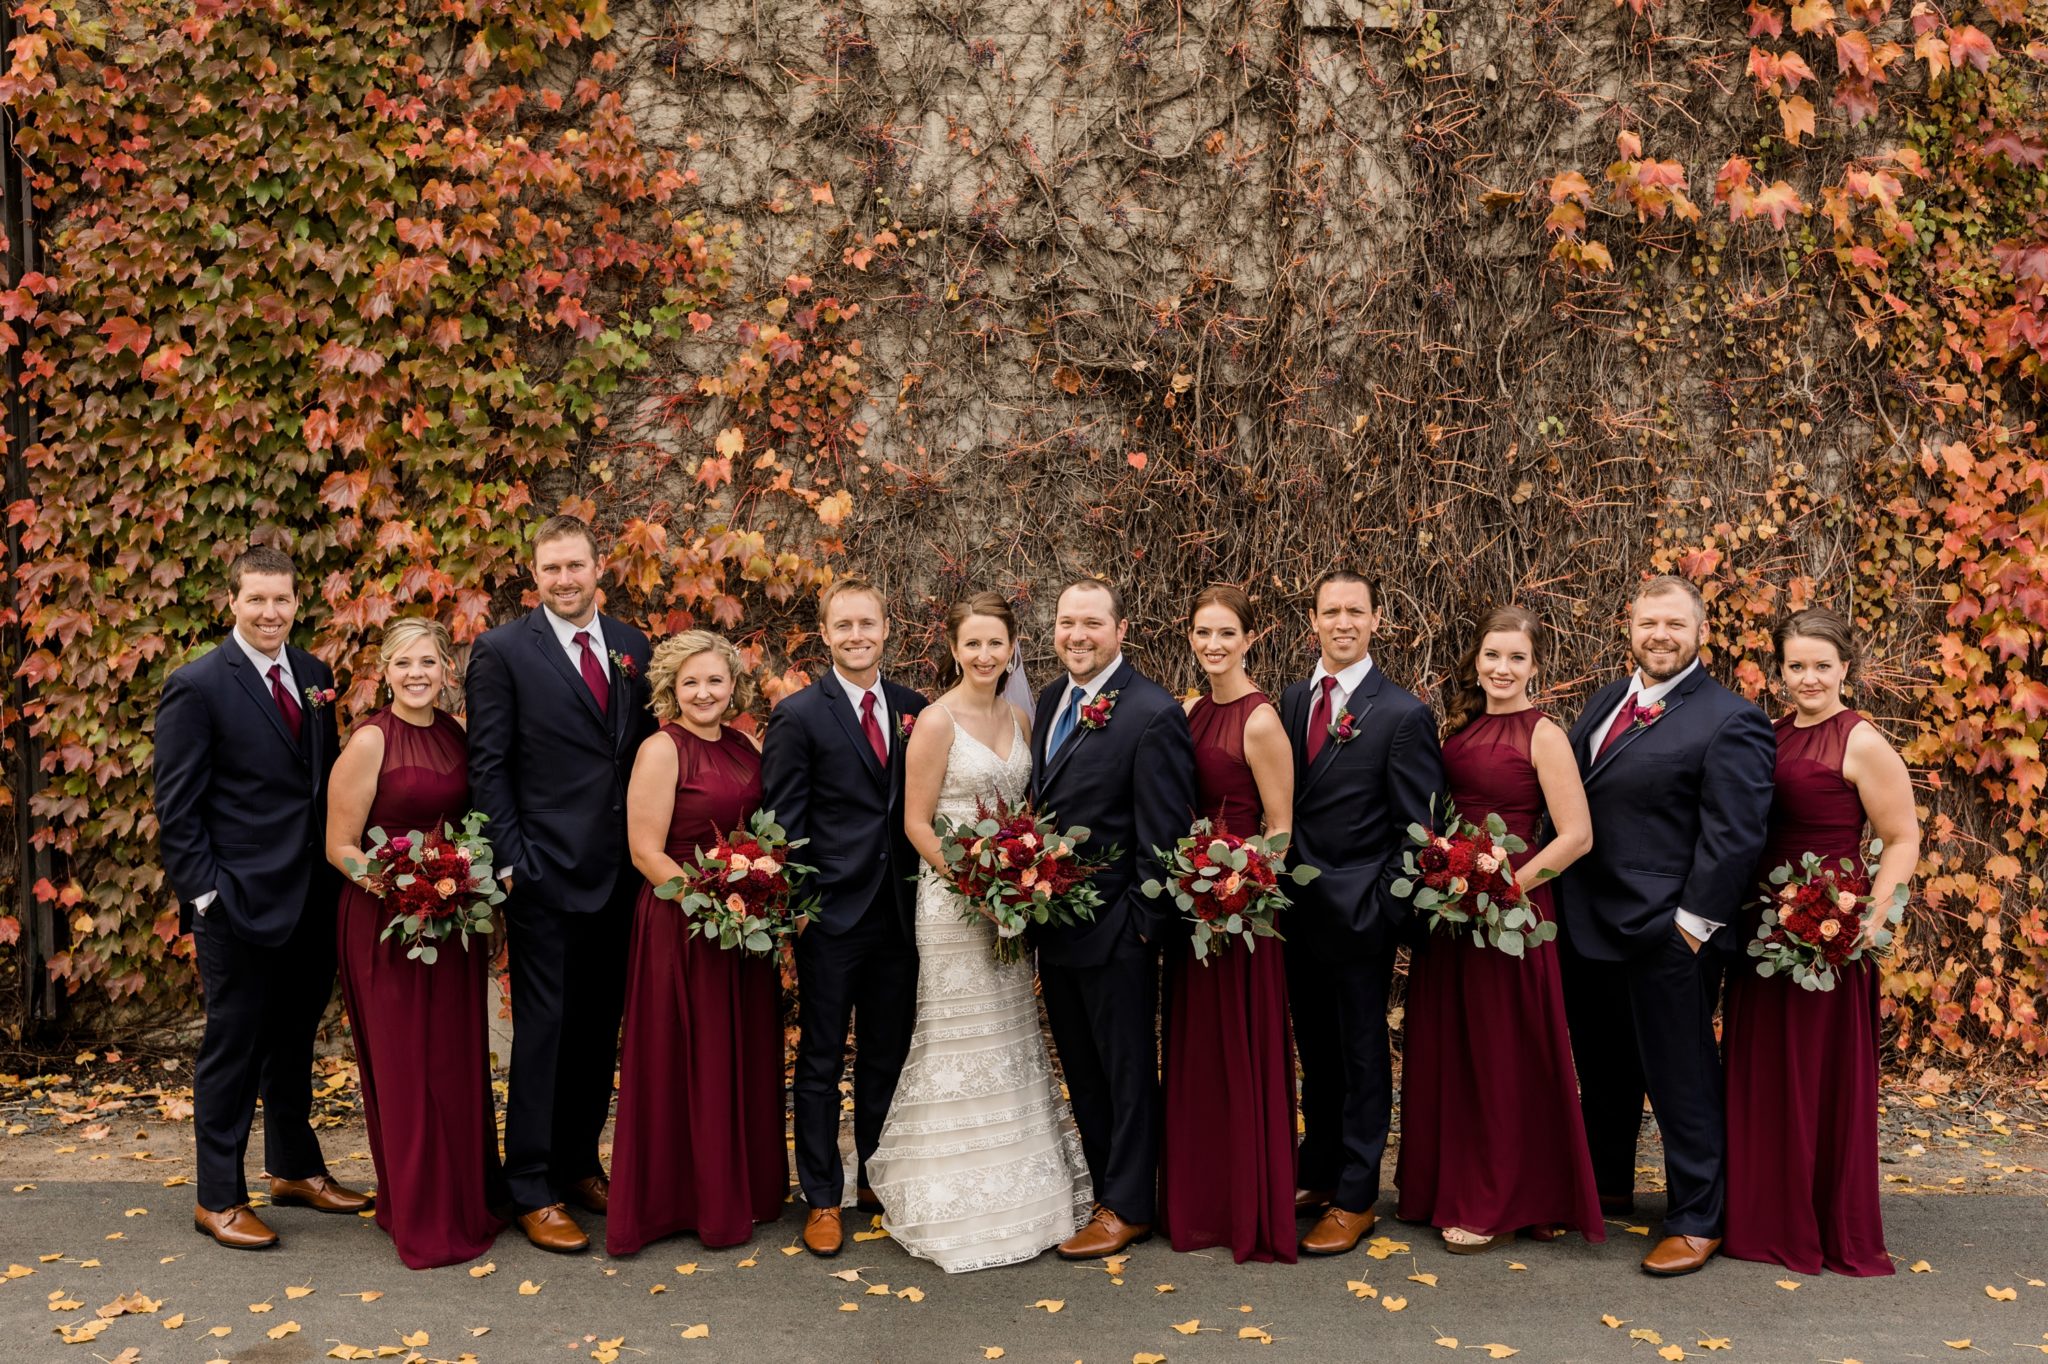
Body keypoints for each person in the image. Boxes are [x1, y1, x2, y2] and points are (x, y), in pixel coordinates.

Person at [153, 545, 372, 1249]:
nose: (270, 612)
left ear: (295, 601)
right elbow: (178, 808)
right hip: (238, 901)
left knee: (293, 1039)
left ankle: (294, 1168)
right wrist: (206, 897)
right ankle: (218, 1196)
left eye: (281, 599)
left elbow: (323, 786)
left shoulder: (314, 675)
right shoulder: (197, 686)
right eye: (257, 599)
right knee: (233, 1047)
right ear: (232, 602)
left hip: (311, 895)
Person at [866, 593, 1093, 1271]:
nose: (985, 656)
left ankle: (1029, 1190)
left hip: (1011, 901)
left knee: (1011, 1029)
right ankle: (949, 1191)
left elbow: (1026, 814)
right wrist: (977, 886)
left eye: (996, 644)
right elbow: (915, 822)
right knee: (958, 1033)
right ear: (954, 648)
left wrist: (1020, 882)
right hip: (952, 902)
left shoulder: (1022, 716)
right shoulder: (934, 723)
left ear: (1013, 647)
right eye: (972, 645)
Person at [1557, 574, 1775, 1277]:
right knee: (1606, 1068)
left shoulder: (1729, 717)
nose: (1660, 635)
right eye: (1648, 622)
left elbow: (1735, 836)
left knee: (1680, 1077)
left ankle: (1696, 1216)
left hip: (1666, 933)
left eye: (1674, 624)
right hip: (1590, 925)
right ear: (1629, 627)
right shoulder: (1607, 701)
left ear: (1701, 632)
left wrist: (1690, 927)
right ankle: (1609, 1184)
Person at [466, 515, 656, 1253]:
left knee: (596, 1030)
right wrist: (511, 863)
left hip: (621, 875)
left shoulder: (635, 647)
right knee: (543, 1031)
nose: (565, 580)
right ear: (534, 576)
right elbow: (489, 764)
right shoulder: (503, 651)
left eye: (576, 565)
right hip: (543, 872)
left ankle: (579, 1162)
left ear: (598, 565)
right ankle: (532, 1184)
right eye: (551, 569)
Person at [1395, 606, 1604, 1254]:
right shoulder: (1459, 728)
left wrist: (1505, 885)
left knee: (1500, 1057)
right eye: (1492, 656)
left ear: (1534, 666)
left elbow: (1577, 835)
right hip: (1454, 909)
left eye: (1516, 657)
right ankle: (1441, 1186)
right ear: (1477, 661)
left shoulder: (1543, 734)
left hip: (1513, 914)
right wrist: (1451, 876)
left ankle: (1497, 1198)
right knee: (1451, 1051)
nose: (1502, 668)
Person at [1723, 607, 1918, 1276]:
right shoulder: (1766, 734)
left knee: (1815, 1074)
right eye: (1796, 666)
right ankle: (1763, 1214)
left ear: (1845, 669)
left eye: (1821, 666)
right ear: (1778, 672)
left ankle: (1818, 1219)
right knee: (1766, 1070)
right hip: (1765, 930)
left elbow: (1902, 837)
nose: (1808, 678)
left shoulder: (1859, 740)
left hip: (1830, 937)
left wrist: (1878, 923)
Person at [326, 618, 505, 1268]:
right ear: (386, 671)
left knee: (453, 1064)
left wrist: (456, 882)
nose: (417, 673)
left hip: (450, 924)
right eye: (404, 663)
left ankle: (458, 1199)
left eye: (428, 661)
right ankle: (418, 1214)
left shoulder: (457, 735)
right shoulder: (371, 741)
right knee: (407, 1069)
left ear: (445, 670)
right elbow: (339, 847)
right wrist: (395, 884)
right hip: (386, 925)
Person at [1028, 577, 1198, 1259]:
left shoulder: (1153, 713)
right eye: (1067, 621)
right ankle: (1104, 1187)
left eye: (1092, 624)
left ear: (1121, 630)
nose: (1077, 635)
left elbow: (1165, 834)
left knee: (1127, 1071)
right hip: (1056, 927)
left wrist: (1140, 925)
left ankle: (1129, 1205)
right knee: (1083, 1066)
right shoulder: (1049, 700)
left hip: (1118, 930)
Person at [1282, 570, 1447, 1256]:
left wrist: (1381, 913)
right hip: (1294, 912)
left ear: (1378, 620)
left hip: (1359, 919)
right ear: (1313, 620)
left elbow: (1418, 834)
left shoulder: (1402, 714)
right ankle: (1317, 1171)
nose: (1342, 622)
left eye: (1356, 611)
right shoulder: (1293, 700)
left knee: (1359, 1054)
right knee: (1315, 1052)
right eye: (1330, 611)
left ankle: (1355, 1194)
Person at [760, 576, 928, 1257]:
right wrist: (798, 911)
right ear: (824, 635)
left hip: (899, 914)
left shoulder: (916, 708)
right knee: (823, 1060)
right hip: (830, 915)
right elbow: (781, 821)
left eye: (869, 623)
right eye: (843, 625)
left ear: (887, 629)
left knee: (887, 1054)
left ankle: (876, 1179)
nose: (857, 635)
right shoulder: (799, 715)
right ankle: (823, 1197)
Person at [608, 632, 785, 1254]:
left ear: (732, 684)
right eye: (691, 683)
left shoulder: (745, 744)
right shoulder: (661, 749)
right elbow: (644, 851)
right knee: (686, 1056)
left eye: (715, 681)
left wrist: (753, 897)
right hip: (683, 922)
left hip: (743, 924)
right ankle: (679, 1203)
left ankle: (745, 1191)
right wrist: (712, 904)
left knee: (738, 1052)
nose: (704, 693)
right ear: (671, 689)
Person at [1158, 585, 1301, 1264]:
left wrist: (1235, 889)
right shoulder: (1186, 711)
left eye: (1226, 634)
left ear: (1250, 639)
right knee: (1197, 1053)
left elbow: (1280, 830)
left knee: (1240, 1051)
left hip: (1245, 919)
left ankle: (1247, 1204)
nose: (1213, 645)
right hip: (1195, 910)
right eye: (1202, 633)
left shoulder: (1261, 719)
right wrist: (1194, 885)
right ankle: (1201, 1201)